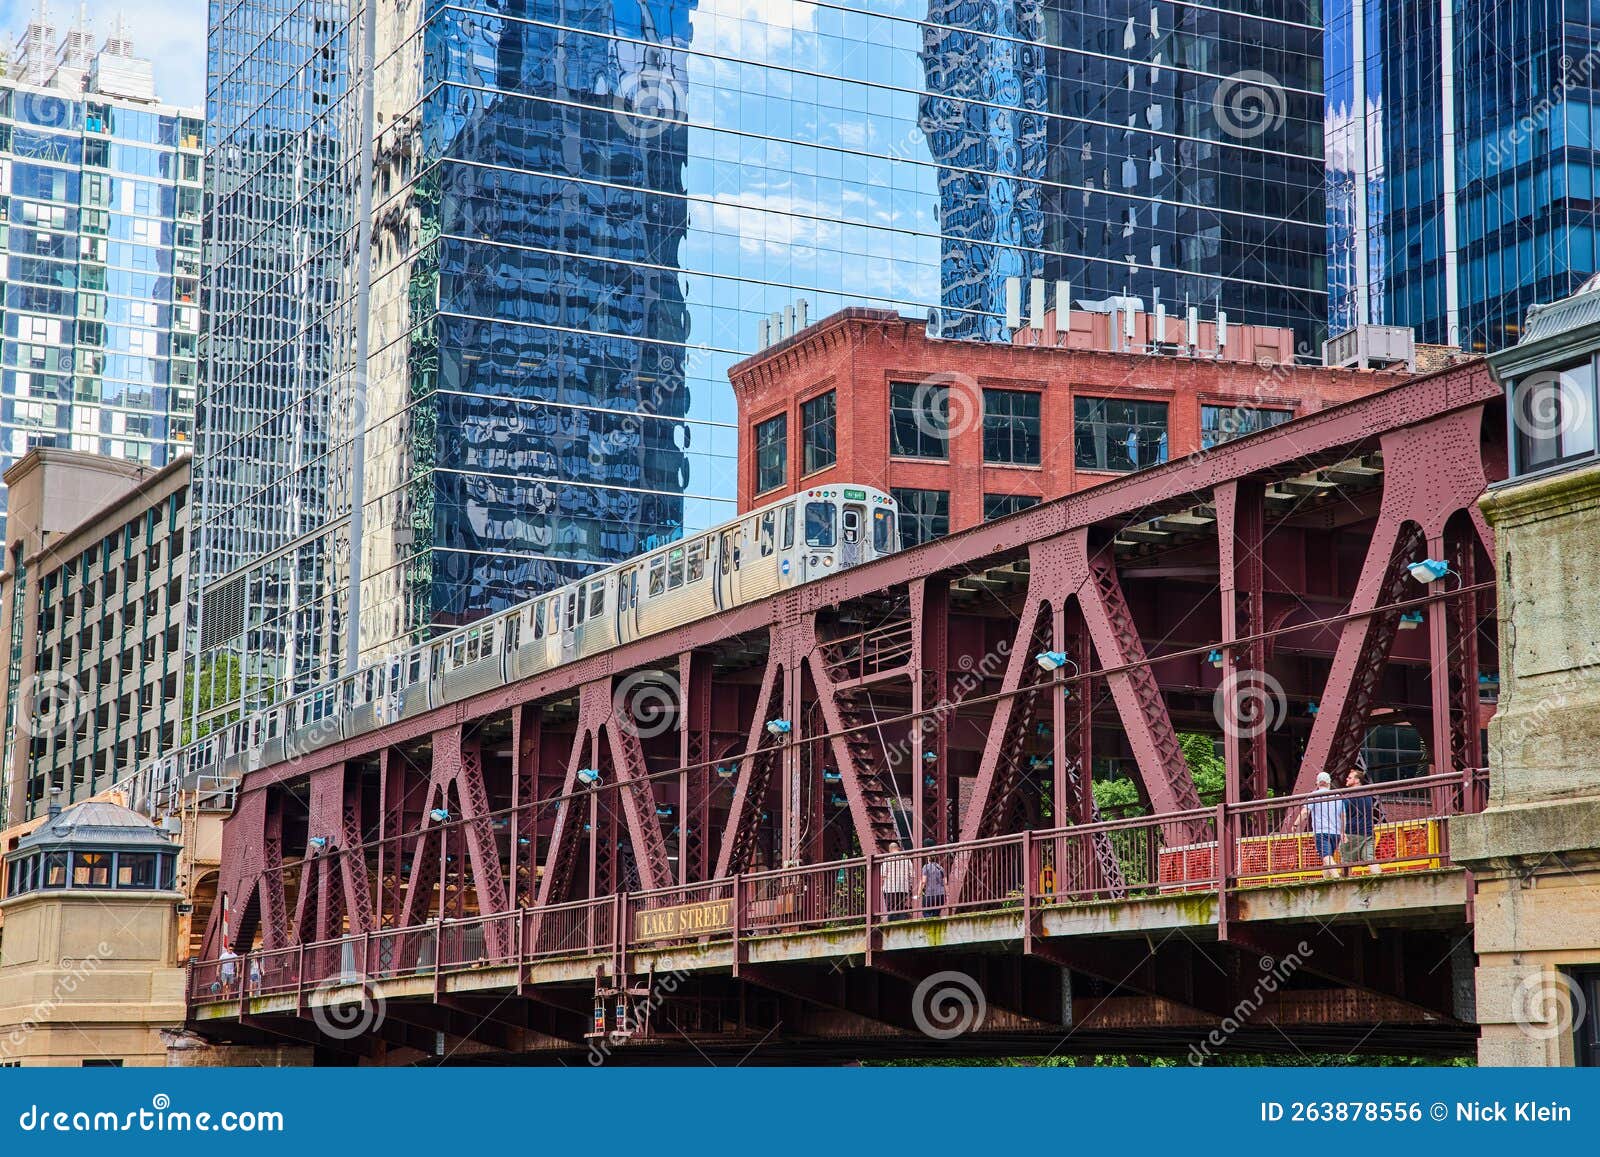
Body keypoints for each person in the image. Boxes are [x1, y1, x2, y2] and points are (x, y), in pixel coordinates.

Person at [1299, 771, 1345, 878]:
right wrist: (1342, 831)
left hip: (1321, 832)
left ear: (1317, 783)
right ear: (1329, 783)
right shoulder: (1337, 796)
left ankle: (1337, 878)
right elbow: (1343, 816)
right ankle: (1325, 880)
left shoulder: (1314, 795)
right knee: (1327, 858)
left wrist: (1295, 825)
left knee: (1326, 857)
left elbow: (1305, 812)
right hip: (1336, 833)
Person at [1340, 765, 1382, 875]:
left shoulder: (1346, 798)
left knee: (1346, 863)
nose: (1346, 779)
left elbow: (1342, 815)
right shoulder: (1368, 796)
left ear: (1357, 780)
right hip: (1368, 833)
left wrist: (1342, 832)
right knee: (1370, 859)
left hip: (1351, 833)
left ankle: (1345, 884)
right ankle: (1380, 879)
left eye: (1350, 778)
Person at [881, 841, 914, 920]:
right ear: (898, 848)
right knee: (901, 906)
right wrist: (909, 885)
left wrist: (883, 885)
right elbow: (912, 874)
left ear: (890, 849)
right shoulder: (906, 859)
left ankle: (892, 924)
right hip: (903, 887)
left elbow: (883, 874)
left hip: (890, 888)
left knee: (891, 907)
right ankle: (901, 922)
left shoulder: (888, 858)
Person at [917, 850, 946, 919]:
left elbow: (923, 881)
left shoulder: (926, 867)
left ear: (928, 858)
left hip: (930, 895)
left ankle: (929, 925)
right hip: (940, 895)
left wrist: (919, 893)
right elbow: (945, 882)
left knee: (926, 913)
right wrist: (947, 895)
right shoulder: (941, 868)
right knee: (936, 914)